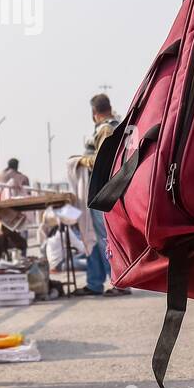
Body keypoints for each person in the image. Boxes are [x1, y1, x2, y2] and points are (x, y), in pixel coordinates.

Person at [77, 94, 128, 296]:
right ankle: (95, 282)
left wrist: (79, 161)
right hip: (108, 191)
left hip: (103, 192)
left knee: (105, 238)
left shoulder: (106, 128)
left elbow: (101, 161)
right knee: (97, 238)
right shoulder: (116, 125)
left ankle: (118, 282)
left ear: (93, 112)